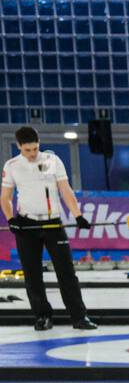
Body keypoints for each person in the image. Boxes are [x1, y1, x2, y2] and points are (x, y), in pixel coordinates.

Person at [1, 126, 96, 331]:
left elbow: (65, 190)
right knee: (32, 274)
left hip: (53, 223)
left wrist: (77, 215)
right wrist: (11, 220)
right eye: (27, 150)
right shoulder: (12, 166)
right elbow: (5, 198)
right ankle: (42, 316)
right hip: (27, 224)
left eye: (35, 148)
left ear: (38, 143)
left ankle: (79, 317)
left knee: (66, 272)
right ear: (19, 146)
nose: (32, 154)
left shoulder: (53, 161)